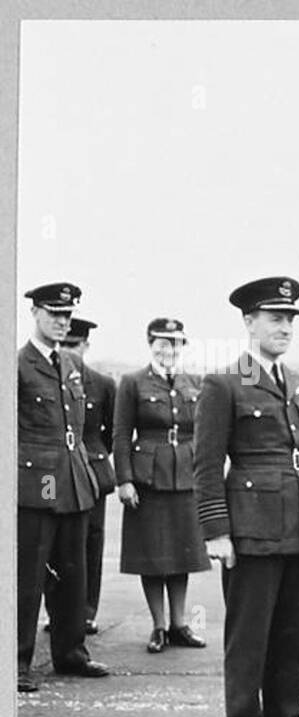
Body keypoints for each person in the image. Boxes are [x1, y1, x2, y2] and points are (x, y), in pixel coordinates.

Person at [194, 277, 299, 717]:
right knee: (249, 634)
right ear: (249, 323)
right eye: (275, 318)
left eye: (291, 318)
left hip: (296, 523)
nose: (285, 327)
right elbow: (207, 464)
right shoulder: (224, 382)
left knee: (294, 632)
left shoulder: (298, 382)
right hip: (250, 526)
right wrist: (216, 531)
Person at [16, 282, 109, 692]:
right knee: (31, 572)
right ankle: (16, 661)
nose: (61, 322)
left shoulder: (71, 365)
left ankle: (70, 653)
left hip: (73, 478)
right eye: (54, 314)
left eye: (67, 316)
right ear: (35, 313)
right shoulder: (17, 364)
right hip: (41, 481)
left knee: (73, 570)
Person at [113, 318, 210, 652]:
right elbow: (121, 433)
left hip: (185, 475)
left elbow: (203, 431)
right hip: (147, 479)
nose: (170, 349)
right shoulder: (133, 382)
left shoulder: (194, 382)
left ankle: (179, 624)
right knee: (152, 555)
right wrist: (124, 480)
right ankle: (158, 627)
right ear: (150, 343)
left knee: (182, 553)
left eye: (176, 342)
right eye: (163, 343)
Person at [58, 317, 115, 635]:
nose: (68, 351)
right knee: (52, 541)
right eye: (64, 345)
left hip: (91, 472)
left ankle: (87, 612)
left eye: (74, 346)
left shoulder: (103, 383)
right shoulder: (46, 378)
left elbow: (111, 432)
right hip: (50, 477)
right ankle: (58, 613)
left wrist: (94, 457)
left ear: (86, 347)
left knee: (90, 542)